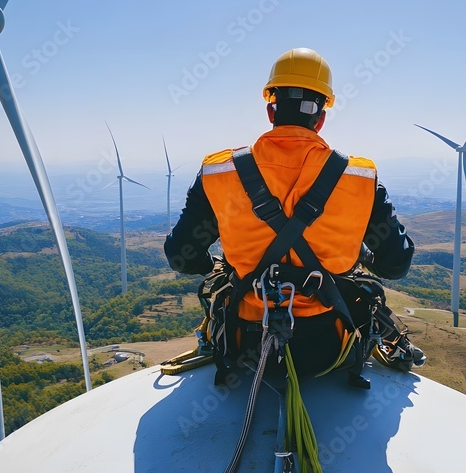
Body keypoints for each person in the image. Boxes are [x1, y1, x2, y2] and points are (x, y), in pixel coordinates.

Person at [164, 47, 423, 385]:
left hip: (245, 347)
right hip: (327, 348)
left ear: (271, 109)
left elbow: (180, 256)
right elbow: (396, 264)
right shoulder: (360, 177)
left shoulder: (219, 171)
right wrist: (359, 258)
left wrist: (214, 265)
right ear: (322, 117)